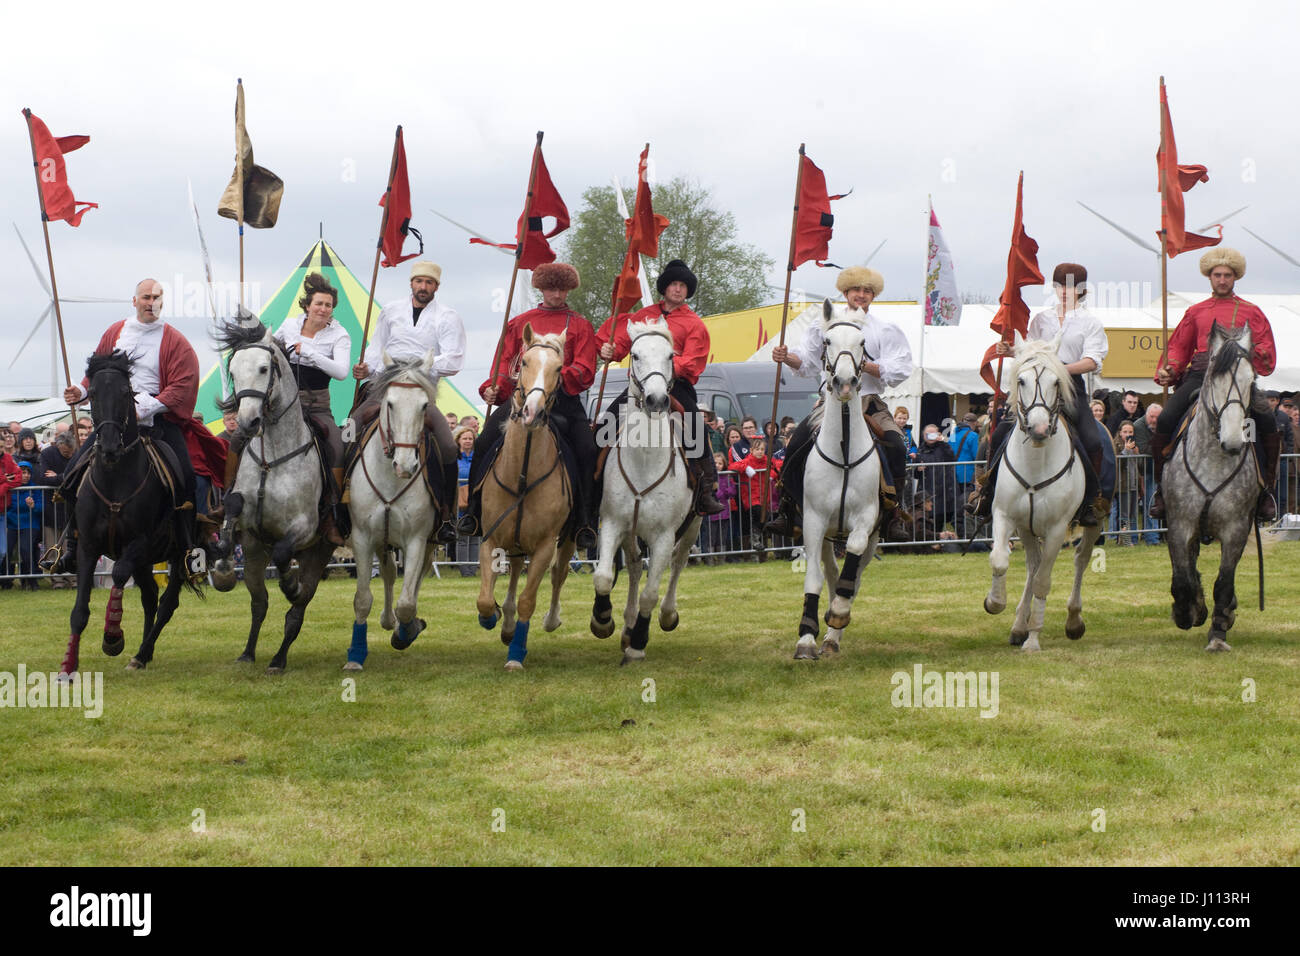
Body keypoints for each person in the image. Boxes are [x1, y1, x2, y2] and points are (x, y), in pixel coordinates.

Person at [48, 278, 224, 573]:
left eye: (156, 297)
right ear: (135, 301)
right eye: (146, 297)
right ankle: (71, 546)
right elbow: (97, 374)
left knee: (186, 481)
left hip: (158, 424)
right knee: (69, 477)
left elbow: (183, 384)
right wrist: (80, 392)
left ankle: (189, 551)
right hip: (114, 424)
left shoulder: (175, 340)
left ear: (162, 302)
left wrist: (149, 405)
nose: (150, 302)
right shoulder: (115, 332)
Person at [765, 265, 914, 542]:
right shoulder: (824, 324)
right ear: (845, 292)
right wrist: (786, 357)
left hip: (868, 401)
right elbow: (807, 363)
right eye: (856, 290)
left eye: (867, 291)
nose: (861, 295)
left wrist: (863, 365)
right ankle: (788, 510)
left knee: (895, 444)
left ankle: (894, 513)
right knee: (795, 445)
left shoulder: (884, 329)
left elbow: (901, 368)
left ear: (873, 295)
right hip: (829, 402)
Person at [458, 261, 600, 549]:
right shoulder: (519, 323)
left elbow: (586, 367)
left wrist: (556, 377)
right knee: (484, 441)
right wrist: (494, 387)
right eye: (551, 288)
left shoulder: (581, 325)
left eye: (562, 289)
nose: (556, 294)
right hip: (520, 400)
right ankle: (473, 512)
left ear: (569, 289)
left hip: (564, 402)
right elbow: (504, 361)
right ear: (541, 288)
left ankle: (584, 519)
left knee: (588, 449)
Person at [966, 262, 1107, 527]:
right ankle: (988, 496)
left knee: (1093, 440)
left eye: (1071, 287)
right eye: (1060, 286)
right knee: (998, 434)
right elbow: (1028, 352)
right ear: (1054, 288)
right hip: (1036, 386)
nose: (1065, 291)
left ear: (1081, 290)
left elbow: (1092, 361)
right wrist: (1009, 351)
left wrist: (1058, 368)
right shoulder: (1041, 319)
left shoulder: (1091, 322)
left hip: (1069, 386)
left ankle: (1090, 500)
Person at [1149, 248, 1279, 519]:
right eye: (1217, 275)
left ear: (1235, 277)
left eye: (1227, 275)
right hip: (1199, 374)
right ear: (1209, 277)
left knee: (1266, 422)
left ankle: (1266, 490)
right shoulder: (1195, 312)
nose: (1222, 280)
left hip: (1238, 379)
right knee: (1165, 420)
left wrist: (1250, 354)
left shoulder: (1252, 312)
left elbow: (1266, 348)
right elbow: (1178, 348)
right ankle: (1162, 489)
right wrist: (1169, 368)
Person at [594, 259, 725, 518]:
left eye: (683, 286)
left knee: (696, 428)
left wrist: (662, 365)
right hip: (640, 388)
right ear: (664, 288)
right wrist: (608, 350)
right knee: (604, 425)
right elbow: (621, 345)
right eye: (673, 284)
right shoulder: (642, 316)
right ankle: (593, 483)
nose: (678, 289)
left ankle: (706, 488)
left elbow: (694, 361)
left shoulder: (694, 324)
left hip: (677, 386)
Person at [351, 260, 465, 543]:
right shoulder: (390, 311)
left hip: (420, 391)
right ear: (411, 284)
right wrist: (368, 368)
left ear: (436, 287)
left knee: (449, 447)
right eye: (419, 282)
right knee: (349, 428)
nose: (423, 287)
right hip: (383, 389)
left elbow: (453, 359)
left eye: (429, 283)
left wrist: (415, 368)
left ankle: (446, 516)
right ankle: (340, 508)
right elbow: (376, 349)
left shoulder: (448, 316)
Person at [269, 272, 352, 546]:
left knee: (337, 448)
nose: (324, 309)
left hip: (317, 405)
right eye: (319, 304)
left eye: (328, 305)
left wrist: (310, 353)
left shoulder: (339, 334)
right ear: (307, 305)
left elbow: (341, 372)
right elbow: (270, 350)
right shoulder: (289, 325)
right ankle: (233, 506)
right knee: (241, 439)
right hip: (284, 405)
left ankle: (331, 517)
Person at [915, 423, 957, 532]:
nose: (930, 437)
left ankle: (938, 541)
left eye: (933, 434)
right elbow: (915, 475)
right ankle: (930, 543)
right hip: (927, 490)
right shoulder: (920, 450)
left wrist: (942, 441)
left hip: (943, 490)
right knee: (927, 519)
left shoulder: (944, 447)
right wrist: (918, 469)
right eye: (928, 434)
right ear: (923, 435)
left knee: (940, 518)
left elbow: (952, 458)